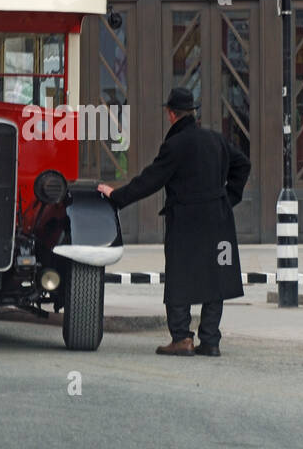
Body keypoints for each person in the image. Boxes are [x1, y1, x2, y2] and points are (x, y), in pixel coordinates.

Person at [98, 87, 250, 357]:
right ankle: (211, 341)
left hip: (186, 221)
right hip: (218, 218)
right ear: (192, 112)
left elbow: (150, 180)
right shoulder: (216, 139)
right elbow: (243, 164)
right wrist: (228, 198)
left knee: (180, 276)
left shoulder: (176, 145)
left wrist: (116, 196)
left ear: (171, 115)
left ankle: (182, 338)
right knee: (215, 276)